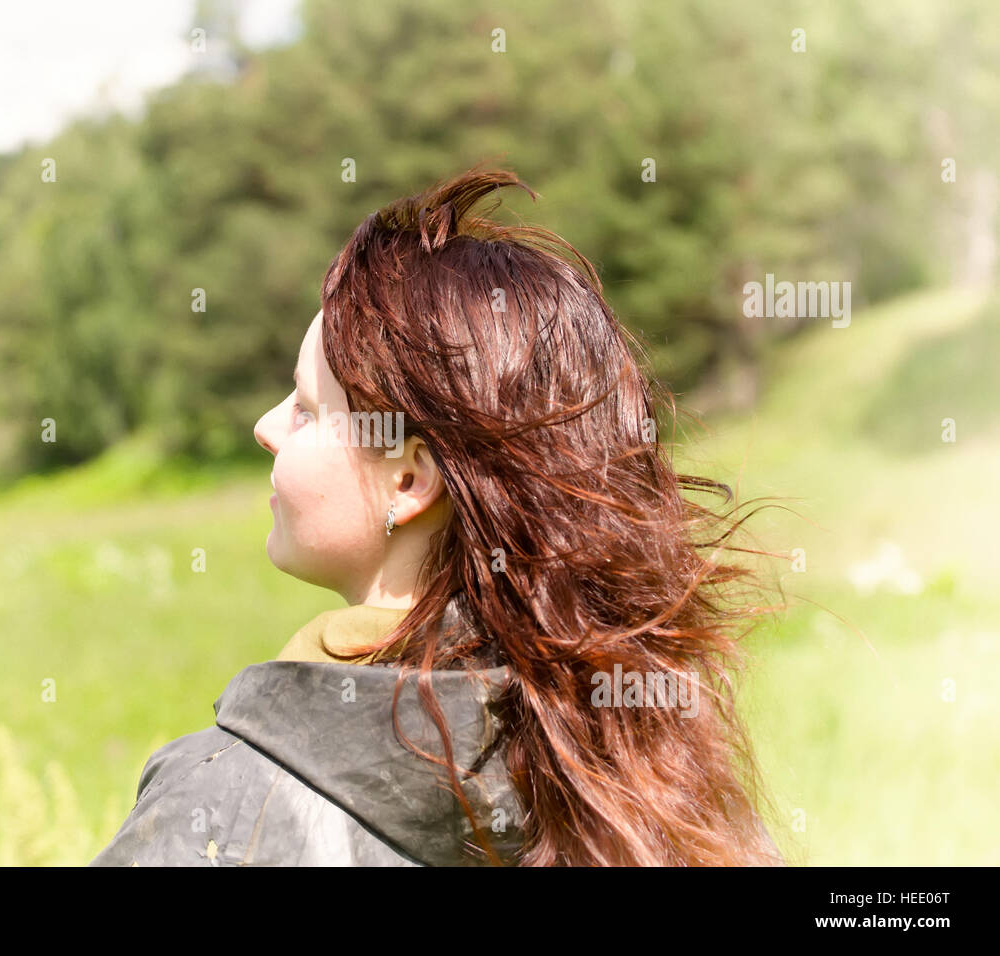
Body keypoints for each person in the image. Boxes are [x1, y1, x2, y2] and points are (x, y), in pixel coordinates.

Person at [90, 165, 784, 866]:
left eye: (305, 408)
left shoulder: (220, 810)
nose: (267, 427)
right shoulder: (658, 776)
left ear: (410, 479)